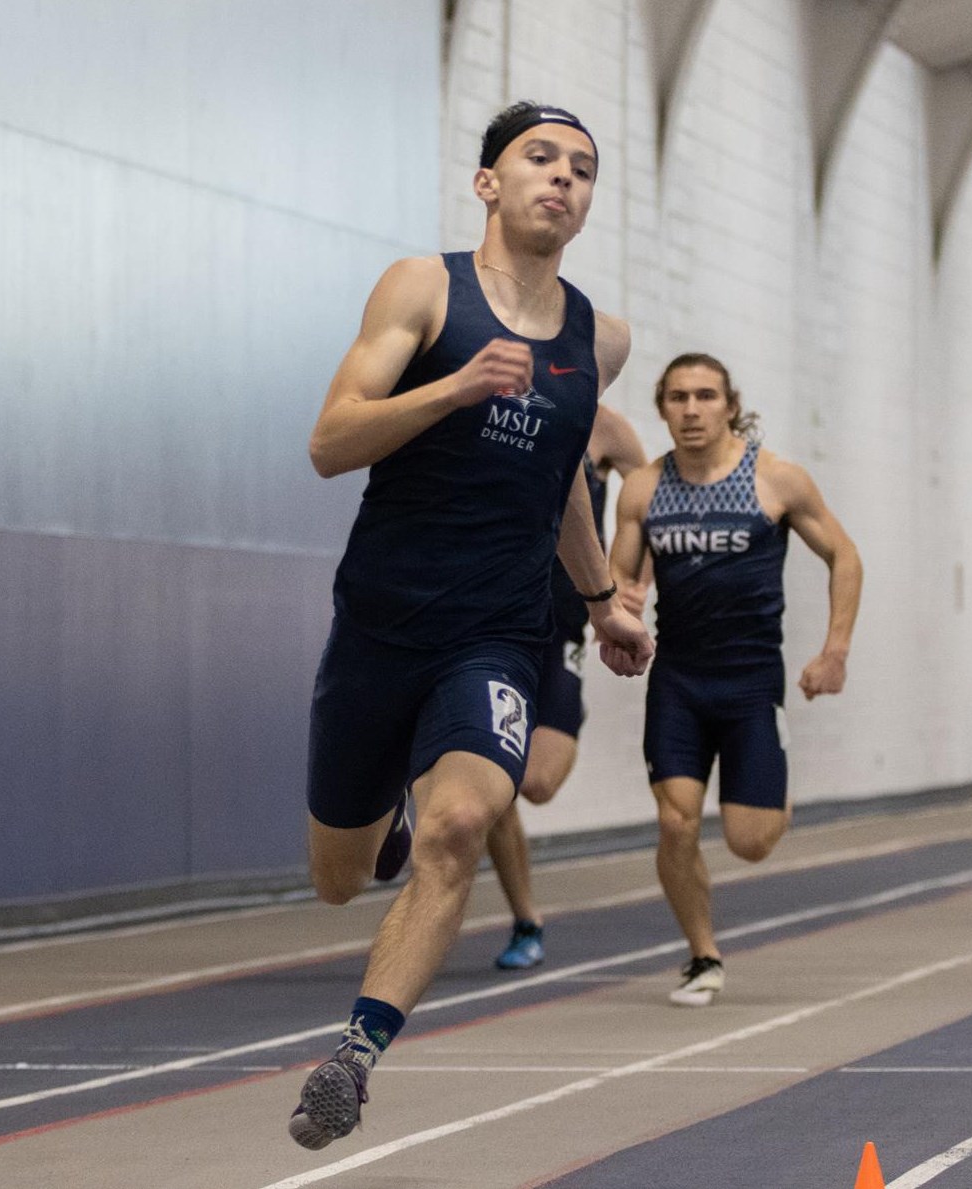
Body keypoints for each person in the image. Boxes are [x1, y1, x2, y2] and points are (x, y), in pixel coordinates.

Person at [288, 101, 654, 1151]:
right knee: (339, 878)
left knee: (462, 824)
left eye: (582, 169)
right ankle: (382, 817)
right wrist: (453, 387)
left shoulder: (598, 339)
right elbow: (328, 441)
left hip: (496, 634)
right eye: (540, 159)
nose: (563, 179)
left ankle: (353, 1058)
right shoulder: (422, 288)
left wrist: (599, 604)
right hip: (380, 625)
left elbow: (559, 490)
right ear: (489, 182)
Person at [606, 354, 862, 1008]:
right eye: (678, 397)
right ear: (661, 407)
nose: (691, 409)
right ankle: (701, 955)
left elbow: (844, 555)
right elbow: (617, 586)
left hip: (750, 683)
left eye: (704, 396)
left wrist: (833, 651)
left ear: (728, 404)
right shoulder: (641, 488)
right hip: (679, 683)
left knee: (751, 842)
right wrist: (618, 623)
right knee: (675, 821)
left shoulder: (775, 480)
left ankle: (769, 790)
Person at [488, 404, 649, 971]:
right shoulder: (489, 406)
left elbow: (651, 500)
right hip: (490, 625)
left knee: (535, 782)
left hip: (561, 629)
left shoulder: (604, 428)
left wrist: (630, 581)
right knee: (493, 782)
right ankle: (526, 919)